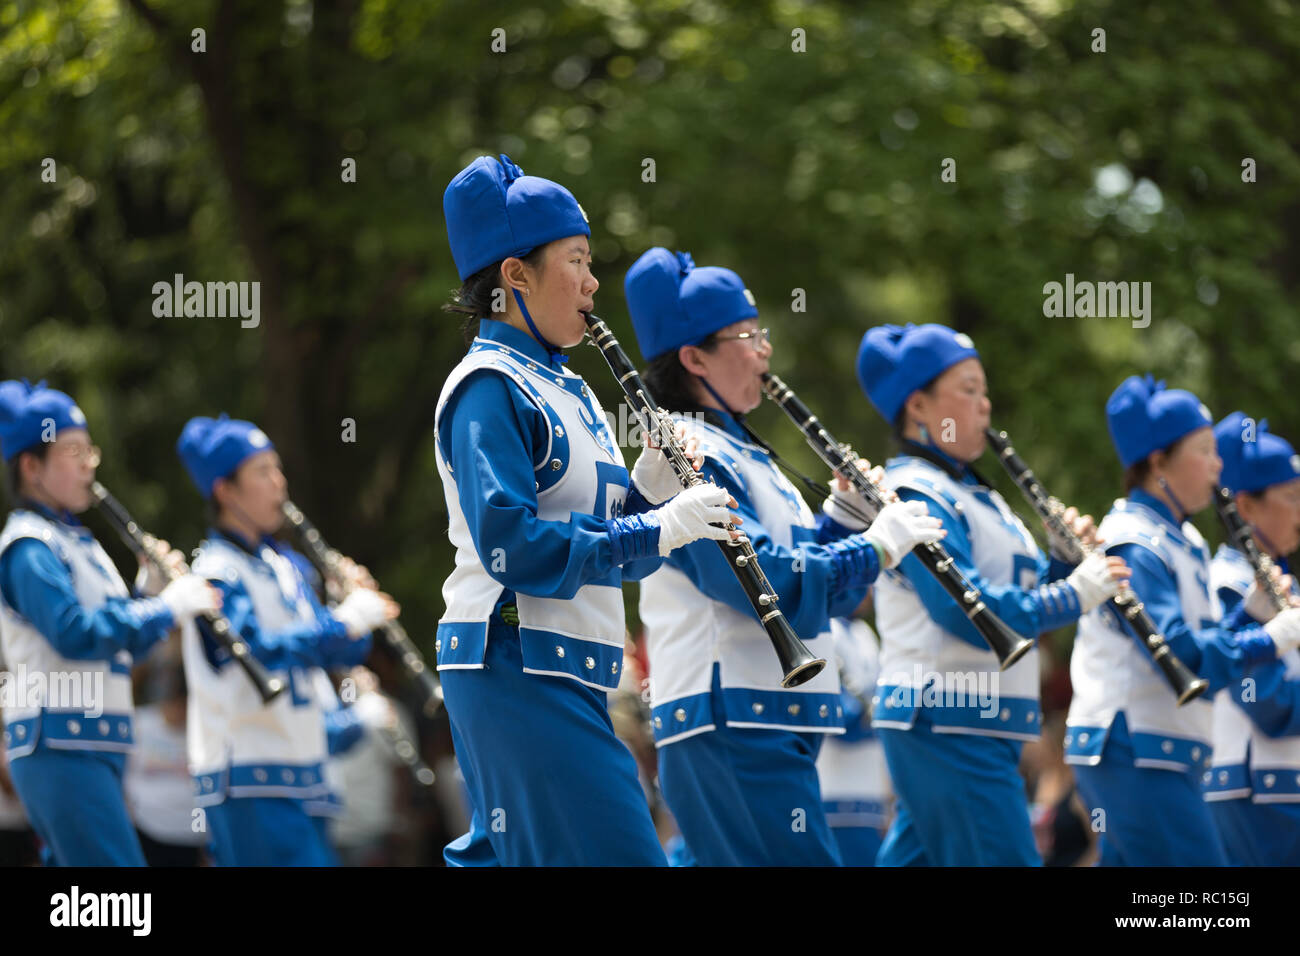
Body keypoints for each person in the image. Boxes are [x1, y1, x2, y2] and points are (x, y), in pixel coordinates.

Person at [434, 155, 733, 866]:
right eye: (576, 260)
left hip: (560, 666)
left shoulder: (568, 389)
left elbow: (602, 537)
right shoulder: (487, 384)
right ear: (516, 275)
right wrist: (656, 525)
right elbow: (516, 547)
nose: (595, 281)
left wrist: (652, 490)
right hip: (513, 662)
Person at [626, 249, 944, 866]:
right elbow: (767, 584)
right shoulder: (692, 453)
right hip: (731, 717)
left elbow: (830, 604)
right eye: (747, 335)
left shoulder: (754, 460)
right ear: (694, 358)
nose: (764, 349)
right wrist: (878, 544)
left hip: (766, 716)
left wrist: (847, 518)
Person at [856, 324, 1127, 866]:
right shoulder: (918, 491)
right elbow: (966, 611)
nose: (985, 405)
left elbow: (1017, 607)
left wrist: (1062, 562)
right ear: (918, 405)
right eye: (969, 389)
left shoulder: (976, 495)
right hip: (949, 723)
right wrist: (1076, 594)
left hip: (971, 723)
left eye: (983, 391)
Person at [1066, 377, 1300, 865]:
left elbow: (1202, 642)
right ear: (1158, 463)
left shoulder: (1179, 540)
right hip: (1136, 748)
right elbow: (1182, 656)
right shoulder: (1135, 539)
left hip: (1158, 749)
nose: (1218, 465)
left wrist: (1249, 614)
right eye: (1204, 450)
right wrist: (1270, 637)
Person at [0, 379, 220, 865]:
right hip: (60, 742)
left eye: (89, 450)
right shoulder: (30, 545)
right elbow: (75, 633)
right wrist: (167, 608)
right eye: (72, 452)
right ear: (31, 466)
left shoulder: (80, 544)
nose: (89, 464)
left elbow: (120, 649)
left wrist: (150, 593)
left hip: (91, 741)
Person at [175, 414, 392, 866]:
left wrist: (350, 607)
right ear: (225, 490)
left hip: (304, 772)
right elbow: (258, 651)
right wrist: (344, 621)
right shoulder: (215, 570)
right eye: (263, 472)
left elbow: (340, 652)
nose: (280, 483)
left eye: (278, 468)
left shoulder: (287, 565)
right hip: (248, 774)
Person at [1203, 411, 1300, 864]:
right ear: (1246, 507)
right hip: (1257, 789)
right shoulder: (1229, 580)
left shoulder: (1283, 579)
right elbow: (1264, 696)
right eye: (1291, 497)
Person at [816, 613, 893, 866]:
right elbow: (840, 719)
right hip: (833, 793)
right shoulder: (825, 629)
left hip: (870, 795)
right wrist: (873, 716)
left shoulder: (865, 634)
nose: (869, 590)